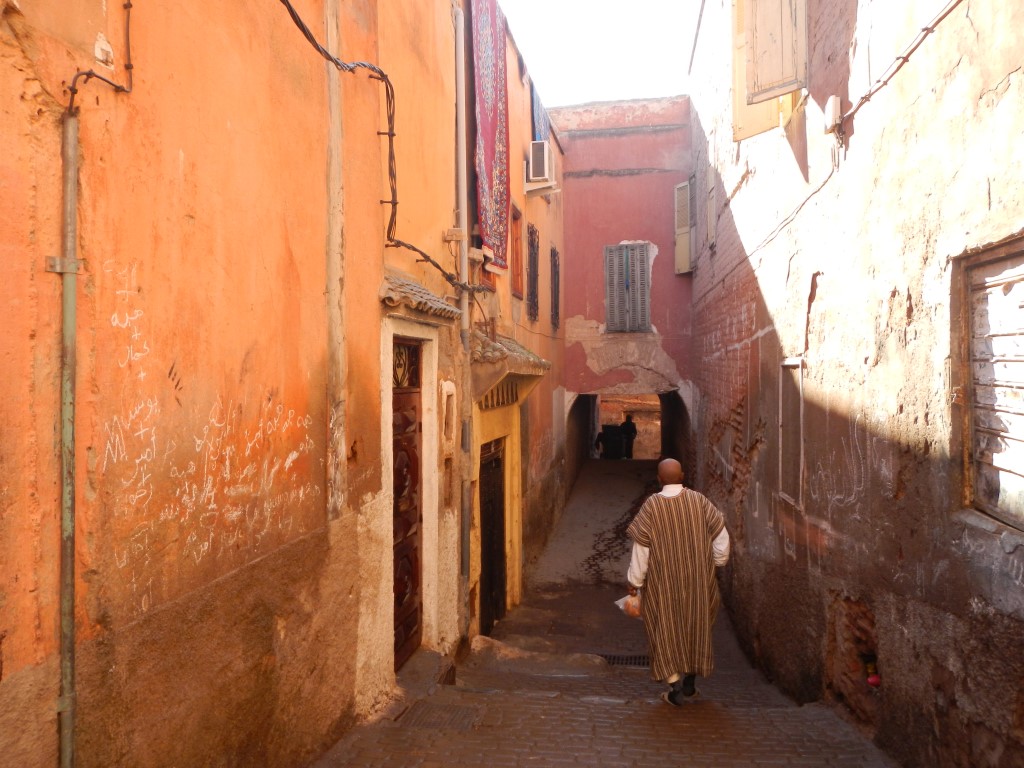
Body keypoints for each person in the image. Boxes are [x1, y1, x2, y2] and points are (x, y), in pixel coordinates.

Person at [626, 458, 730, 706]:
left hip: (662, 585)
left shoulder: (651, 506)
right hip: (698, 582)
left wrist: (634, 581)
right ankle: (691, 683)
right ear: (683, 475)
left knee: (664, 628)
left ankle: (674, 686)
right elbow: (721, 537)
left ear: (659, 479)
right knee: (696, 627)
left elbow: (642, 549)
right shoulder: (700, 501)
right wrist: (716, 563)